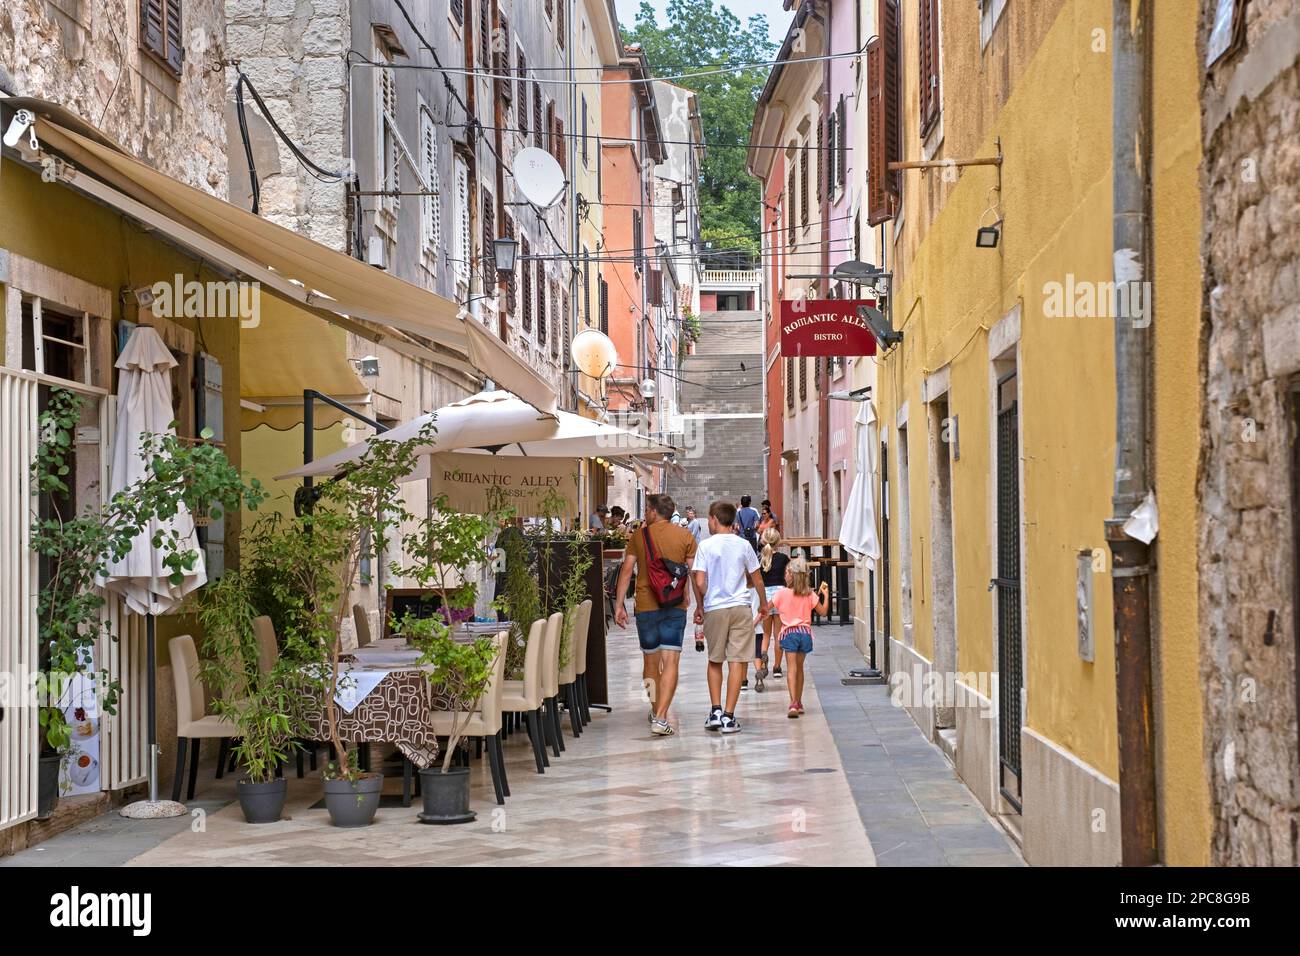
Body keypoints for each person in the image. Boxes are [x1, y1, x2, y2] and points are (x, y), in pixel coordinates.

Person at [614, 494, 697, 737]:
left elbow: (627, 570)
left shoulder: (639, 537)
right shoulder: (685, 536)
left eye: (647, 510)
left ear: (653, 512)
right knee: (671, 661)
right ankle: (661, 717)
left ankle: (655, 709)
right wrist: (697, 604)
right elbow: (693, 573)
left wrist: (619, 604)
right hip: (675, 605)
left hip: (646, 606)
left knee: (650, 662)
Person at [692, 500, 769, 735]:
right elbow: (756, 578)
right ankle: (728, 715)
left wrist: (702, 602)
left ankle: (715, 711)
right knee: (737, 661)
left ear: (714, 519)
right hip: (740, 608)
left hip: (715, 608)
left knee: (715, 660)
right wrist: (764, 605)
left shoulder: (705, 546)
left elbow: (698, 580)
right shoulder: (744, 545)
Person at [767, 556, 830, 718]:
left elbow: (765, 609)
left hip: (789, 634)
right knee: (800, 669)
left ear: (790, 574)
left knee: (791, 669)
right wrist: (826, 594)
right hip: (805, 634)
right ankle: (799, 701)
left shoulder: (782, 593)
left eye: (786, 572)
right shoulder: (809, 594)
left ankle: (793, 703)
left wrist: (754, 621)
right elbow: (823, 612)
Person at [752, 527, 790, 692]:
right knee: (778, 634)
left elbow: (758, 580)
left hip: (766, 597)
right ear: (778, 541)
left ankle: (764, 654)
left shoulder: (760, 559)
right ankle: (776, 667)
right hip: (780, 596)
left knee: (765, 634)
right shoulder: (783, 558)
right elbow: (788, 577)